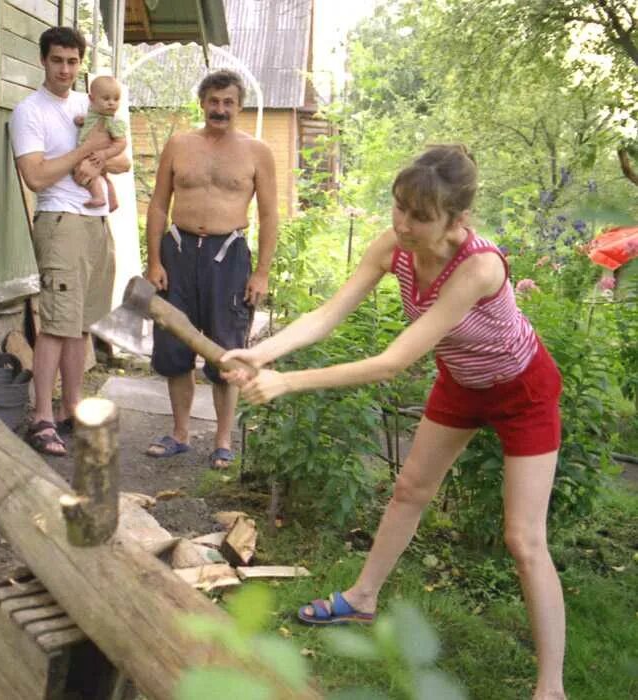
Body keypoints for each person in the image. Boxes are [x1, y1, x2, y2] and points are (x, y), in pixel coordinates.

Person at [222, 145, 566, 700]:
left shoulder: (479, 266)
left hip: (522, 389)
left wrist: (287, 382)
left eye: (420, 216)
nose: (403, 224)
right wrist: (262, 354)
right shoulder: (394, 247)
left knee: (523, 539)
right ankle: (362, 598)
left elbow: (393, 362)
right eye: (399, 206)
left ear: (457, 220)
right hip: (461, 381)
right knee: (409, 489)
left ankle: (551, 687)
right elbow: (328, 314)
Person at [144, 69, 278, 469]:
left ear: (239, 106)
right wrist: (154, 261)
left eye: (228, 103)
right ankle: (179, 434)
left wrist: (262, 272)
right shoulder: (179, 145)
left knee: (226, 351)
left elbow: (269, 215)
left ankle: (223, 440)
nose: (220, 110)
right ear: (202, 103)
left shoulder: (257, 152)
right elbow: (158, 205)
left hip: (229, 256)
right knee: (174, 347)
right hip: (178, 253)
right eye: (214, 102)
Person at [10, 27, 130, 456]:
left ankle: (71, 408)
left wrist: (99, 159)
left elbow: (124, 159)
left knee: (81, 324)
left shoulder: (90, 103)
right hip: (60, 221)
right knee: (57, 325)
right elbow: (36, 176)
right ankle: (42, 417)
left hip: (96, 223)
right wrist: (84, 152)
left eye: (72, 62)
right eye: (57, 60)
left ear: (81, 64)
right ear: (43, 60)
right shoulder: (29, 112)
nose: (65, 69)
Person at [73, 75, 127, 210]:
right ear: (92, 99)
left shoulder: (113, 121)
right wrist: (83, 121)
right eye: (106, 99)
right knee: (102, 176)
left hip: (96, 154)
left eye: (116, 99)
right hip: (90, 152)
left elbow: (121, 143)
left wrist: (104, 154)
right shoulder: (95, 114)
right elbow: (92, 123)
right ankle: (112, 202)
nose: (111, 103)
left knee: (84, 172)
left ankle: (99, 197)